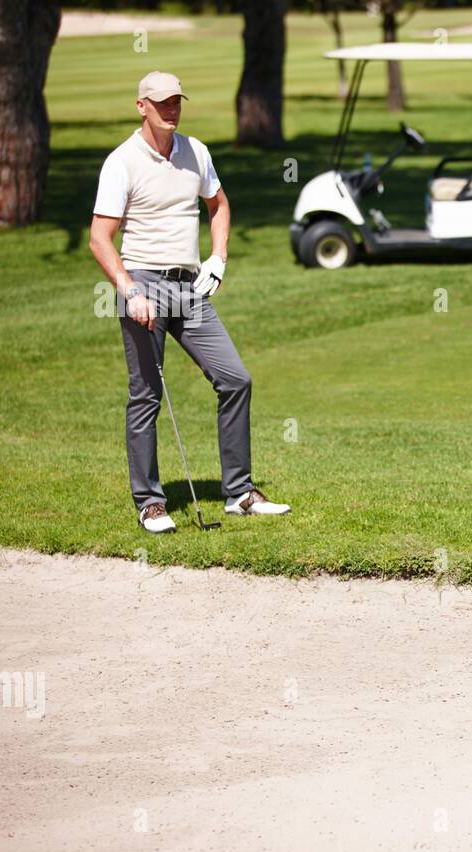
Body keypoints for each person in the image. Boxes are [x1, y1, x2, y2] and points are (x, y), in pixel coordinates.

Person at [88, 71, 290, 533]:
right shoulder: (121, 161)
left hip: (189, 286)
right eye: (162, 103)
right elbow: (100, 238)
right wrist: (129, 290)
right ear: (142, 106)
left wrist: (217, 257)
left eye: (177, 101)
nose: (171, 109)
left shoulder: (196, 152)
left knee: (235, 379)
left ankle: (238, 492)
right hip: (143, 283)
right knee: (146, 395)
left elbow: (218, 205)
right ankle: (150, 503)